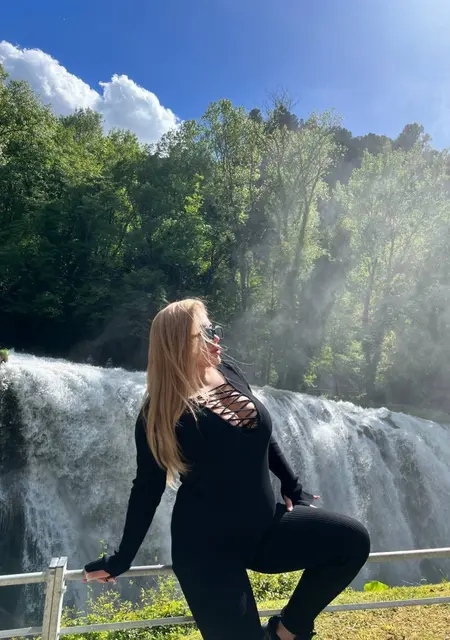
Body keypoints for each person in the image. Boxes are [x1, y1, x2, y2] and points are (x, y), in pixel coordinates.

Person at [84, 298, 370, 640]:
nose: (217, 338)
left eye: (214, 329)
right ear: (180, 343)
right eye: (206, 332)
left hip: (264, 527)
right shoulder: (159, 412)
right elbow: (147, 488)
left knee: (351, 542)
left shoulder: (229, 372)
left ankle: (286, 630)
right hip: (206, 549)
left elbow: (260, 436)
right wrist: (122, 557)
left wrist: (292, 486)